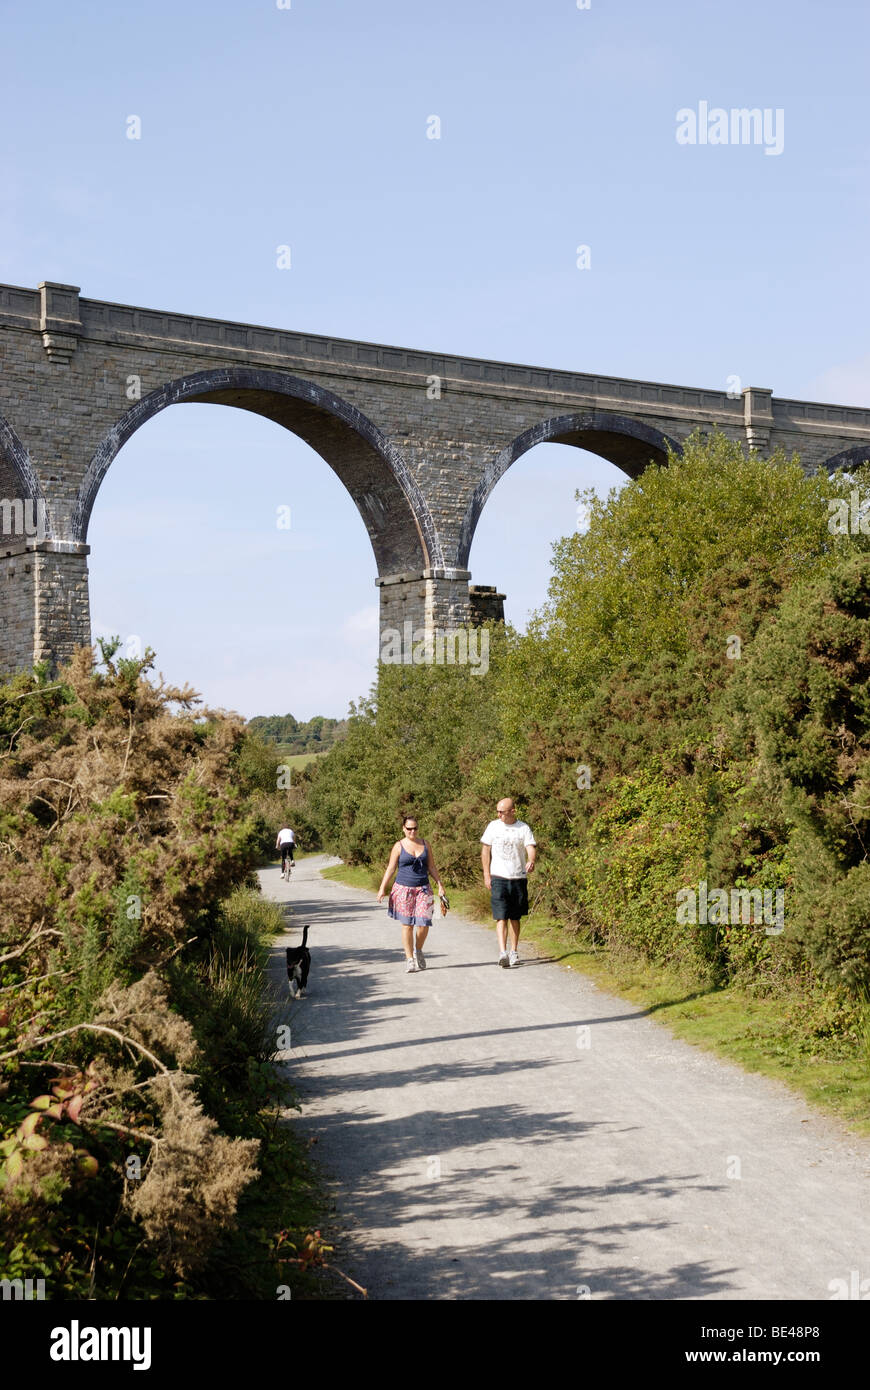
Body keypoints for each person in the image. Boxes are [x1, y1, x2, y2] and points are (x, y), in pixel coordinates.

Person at [377, 814, 446, 973]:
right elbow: (391, 868)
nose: (412, 831)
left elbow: (432, 867)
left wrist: (440, 884)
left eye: (415, 828)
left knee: (424, 923)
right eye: (409, 829)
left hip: (424, 888)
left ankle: (418, 950)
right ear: (403, 829)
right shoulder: (398, 846)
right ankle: (409, 959)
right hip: (403, 889)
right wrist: (382, 888)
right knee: (407, 924)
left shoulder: (426, 844)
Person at [480, 798, 536, 968]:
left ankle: (514, 951)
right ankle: (502, 952)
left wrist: (531, 860)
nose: (499, 815)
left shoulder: (523, 828)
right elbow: (485, 850)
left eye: (502, 812)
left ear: (512, 811)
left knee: (515, 917)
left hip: (518, 877)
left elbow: (530, 846)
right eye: (497, 811)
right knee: (501, 916)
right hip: (498, 876)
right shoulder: (493, 826)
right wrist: (486, 874)